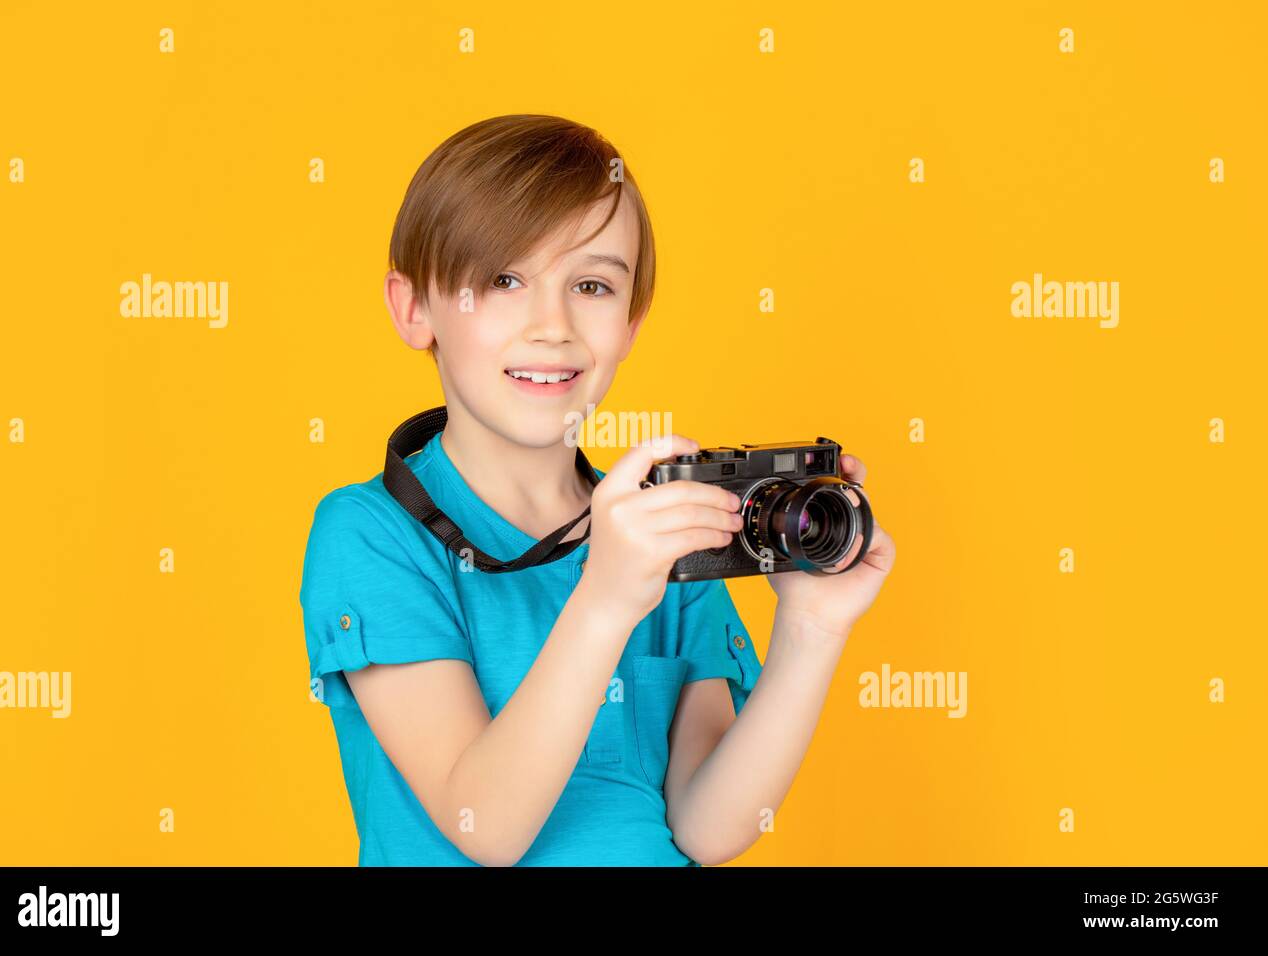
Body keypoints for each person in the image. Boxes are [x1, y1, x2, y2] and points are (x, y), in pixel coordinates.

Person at [298, 114, 896, 866]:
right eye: (504, 280)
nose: (553, 326)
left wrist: (813, 630)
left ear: (631, 322)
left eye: (592, 284)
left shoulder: (658, 529)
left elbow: (707, 828)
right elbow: (486, 827)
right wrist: (607, 598)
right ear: (415, 308)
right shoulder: (370, 533)